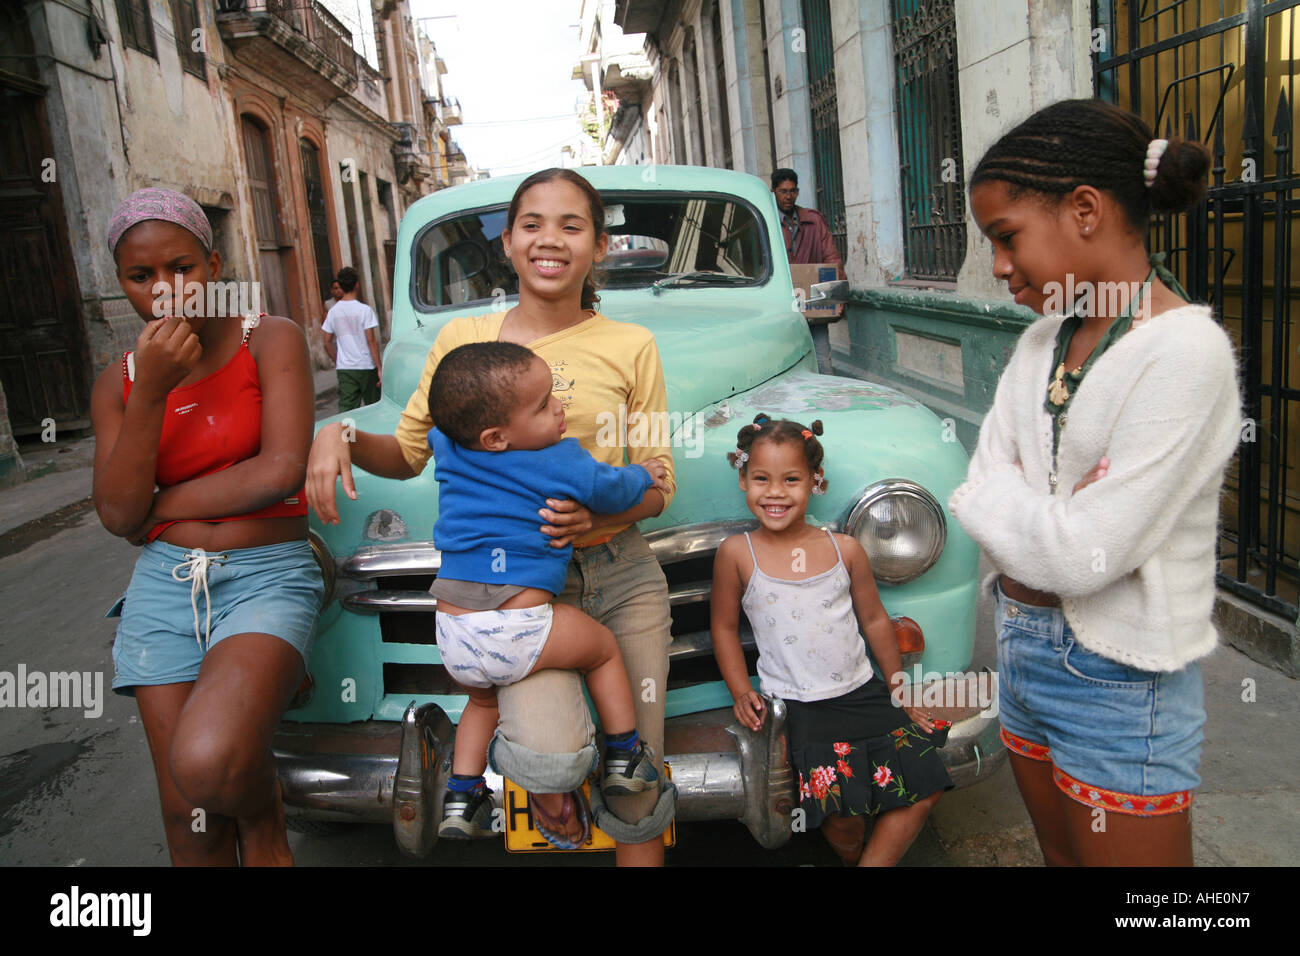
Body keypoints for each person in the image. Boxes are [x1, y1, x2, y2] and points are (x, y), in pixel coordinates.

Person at [306, 167, 678, 865]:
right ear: (506, 242)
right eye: (533, 224)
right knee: (551, 757)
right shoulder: (461, 341)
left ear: (599, 246)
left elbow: (658, 483)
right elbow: (410, 453)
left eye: (573, 226)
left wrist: (594, 521)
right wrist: (343, 434)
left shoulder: (632, 345)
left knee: (637, 780)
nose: (551, 240)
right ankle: (541, 784)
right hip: (513, 595)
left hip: (620, 576)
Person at [950, 99, 1239, 866]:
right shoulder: (1041, 340)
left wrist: (1007, 505)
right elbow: (978, 480)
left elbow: (1084, 555)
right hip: (1022, 655)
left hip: (1120, 679)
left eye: (1006, 239)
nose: (1000, 269)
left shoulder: (1183, 353)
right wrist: (1026, 510)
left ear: (1084, 209)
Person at [92, 187, 321, 866]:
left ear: (214, 266)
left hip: (266, 577)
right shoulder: (121, 384)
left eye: (180, 268)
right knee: (188, 815)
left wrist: (157, 507)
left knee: (210, 760)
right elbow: (113, 514)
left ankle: (264, 820)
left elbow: (278, 470)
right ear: (123, 284)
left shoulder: (269, 338)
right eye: (141, 276)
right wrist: (154, 389)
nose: (164, 290)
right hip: (164, 589)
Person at [428, 341, 668, 845]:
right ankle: (624, 752)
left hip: (453, 635)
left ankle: (462, 794)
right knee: (601, 650)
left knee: (482, 704)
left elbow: (437, 430)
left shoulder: (448, 447)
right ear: (494, 437)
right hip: (521, 626)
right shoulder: (557, 461)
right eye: (543, 405)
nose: (559, 408)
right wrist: (645, 474)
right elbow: (612, 488)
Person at [710, 414, 951, 865]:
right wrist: (741, 690)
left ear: (816, 482)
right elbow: (723, 627)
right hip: (798, 707)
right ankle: (852, 852)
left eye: (791, 479)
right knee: (842, 816)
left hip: (862, 693)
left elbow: (876, 621)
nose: (776, 492)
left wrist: (898, 687)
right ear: (743, 479)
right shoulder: (736, 554)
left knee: (925, 782)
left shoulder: (846, 549)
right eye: (761, 478)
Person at [771, 168, 845, 374]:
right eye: (783, 191)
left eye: (793, 191)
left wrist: (837, 298)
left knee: (823, 361)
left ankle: (828, 403)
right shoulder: (766, 222)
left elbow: (832, 258)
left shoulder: (814, 220)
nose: (789, 196)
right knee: (785, 364)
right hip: (781, 305)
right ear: (773, 191)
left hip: (814, 303)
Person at [323, 266, 382, 411]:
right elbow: (371, 341)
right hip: (366, 367)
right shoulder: (365, 310)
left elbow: (326, 342)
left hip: (345, 369)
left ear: (341, 286)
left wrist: (338, 361)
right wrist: (379, 368)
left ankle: (349, 435)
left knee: (348, 412)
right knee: (374, 408)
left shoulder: (333, 312)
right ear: (357, 284)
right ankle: (372, 432)